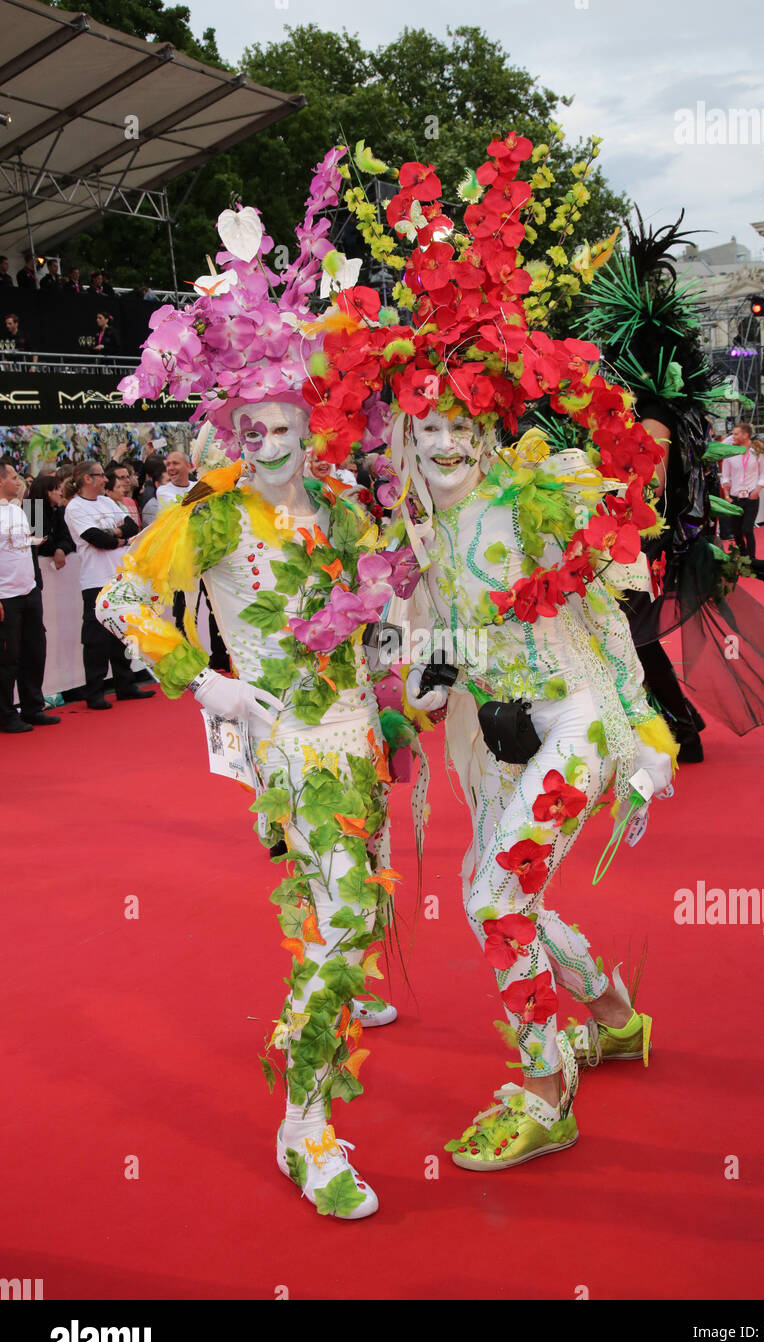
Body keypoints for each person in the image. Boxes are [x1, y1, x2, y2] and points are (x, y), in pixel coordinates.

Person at [319, 130, 681, 1170]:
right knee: (501, 885)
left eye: (460, 426)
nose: (442, 443)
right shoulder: (413, 539)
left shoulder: (540, 494)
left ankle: (544, 1080)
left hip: (577, 717)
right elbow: (427, 651)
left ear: (487, 428)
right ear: (401, 432)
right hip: (498, 735)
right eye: (423, 424)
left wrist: (644, 735)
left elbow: (610, 622)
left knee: (490, 896)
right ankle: (610, 1011)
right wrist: (404, 681)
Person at [98, 150, 416, 1220]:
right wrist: (212, 687)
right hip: (288, 748)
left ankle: (308, 1103)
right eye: (257, 427)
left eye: (292, 422)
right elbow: (120, 603)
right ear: (234, 427)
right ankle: (305, 1127)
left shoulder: (343, 511)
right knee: (332, 938)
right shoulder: (214, 514)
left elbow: (376, 613)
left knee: (357, 924)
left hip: (359, 746)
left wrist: (394, 682)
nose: (275, 441)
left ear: (318, 419)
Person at [63, 462, 153, 710]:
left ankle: (125, 684)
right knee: (96, 639)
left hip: (119, 576)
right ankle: (94, 691)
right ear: (85, 479)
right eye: (100, 475)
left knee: (123, 634)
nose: (106, 479)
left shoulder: (107, 502)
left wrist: (116, 535)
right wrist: (118, 536)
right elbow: (97, 539)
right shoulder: (75, 507)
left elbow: (133, 528)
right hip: (95, 579)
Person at [0, 461, 61, 732]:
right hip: (5, 596)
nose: (18, 481)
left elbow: (38, 542)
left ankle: (32, 707)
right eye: (13, 477)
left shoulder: (20, 509)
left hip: (29, 591)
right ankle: (5, 714)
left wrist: (35, 585)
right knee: (7, 658)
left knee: (34, 651)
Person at [721, 422, 764, 560]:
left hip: (751, 496)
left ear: (746, 435)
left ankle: (752, 559)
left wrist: (758, 489)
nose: (733, 436)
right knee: (736, 532)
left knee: (747, 529)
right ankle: (743, 555)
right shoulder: (730, 453)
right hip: (735, 497)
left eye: (736, 434)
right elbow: (725, 475)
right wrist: (726, 492)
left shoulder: (757, 452)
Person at [28, 471, 75, 569]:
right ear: (47, 492)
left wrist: (61, 549)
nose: (61, 493)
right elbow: (41, 541)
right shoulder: (32, 509)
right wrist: (57, 548)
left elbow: (68, 537)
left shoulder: (59, 510)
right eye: (57, 489)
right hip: (35, 567)